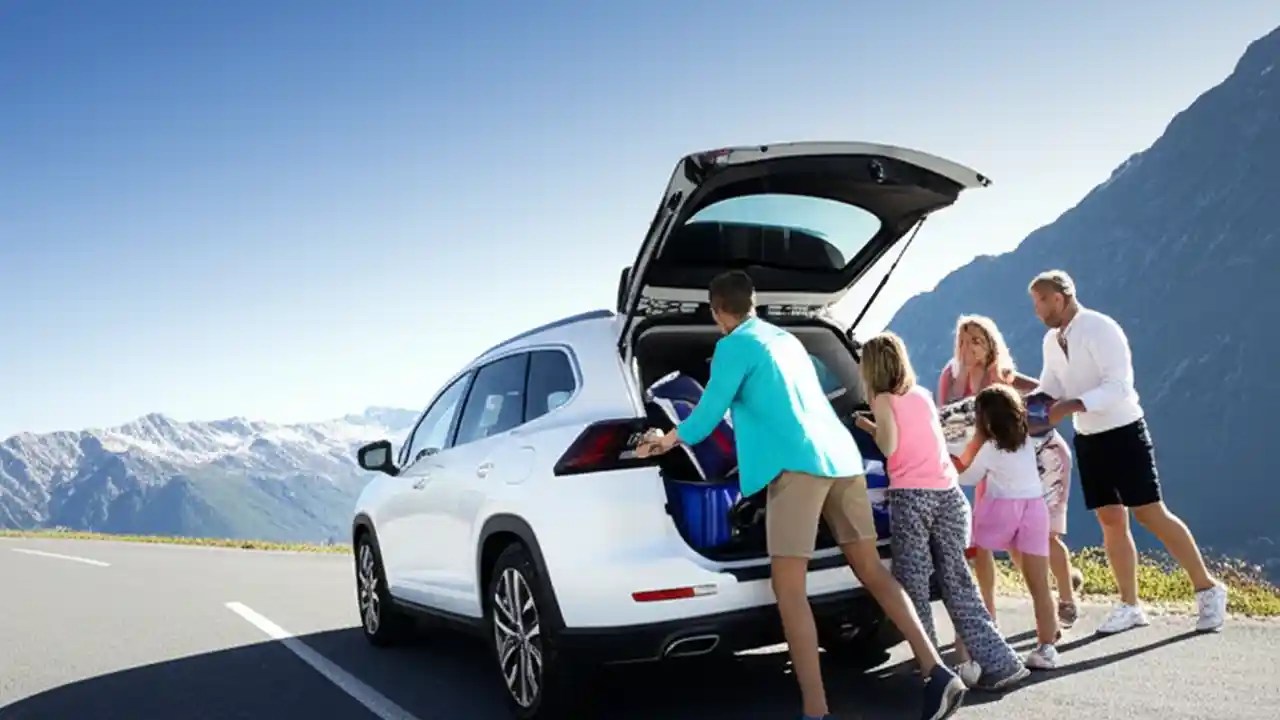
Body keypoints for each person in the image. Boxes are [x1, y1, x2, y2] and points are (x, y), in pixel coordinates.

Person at [637, 270, 967, 720]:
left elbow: (707, 414)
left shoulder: (733, 346)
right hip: (842, 458)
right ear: (753, 302)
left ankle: (816, 711)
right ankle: (938, 670)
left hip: (796, 468)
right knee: (871, 569)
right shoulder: (789, 341)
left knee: (789, 589)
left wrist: (665, 440)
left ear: (718, 312)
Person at [1028, 269, 1228, 634]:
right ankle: (1130, 606)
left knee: (1150, 513)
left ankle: (1209, 589)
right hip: (1088, 439)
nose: (1036, 309)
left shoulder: (1100, 328)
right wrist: (1022, 407)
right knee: (1110, 521)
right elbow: (1049, 387)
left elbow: (1119, 386)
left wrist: (1069, 406)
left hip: (1124, 433)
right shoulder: (1051, 341)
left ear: (1060, 297)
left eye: (1040, 300)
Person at [854, 331, 1029, 692]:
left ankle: (932, 670)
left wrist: (869, 422)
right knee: (959, 584)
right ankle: (1003, 663)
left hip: (913, 498)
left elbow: (890, 447)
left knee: (913, 585)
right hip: (949, 495)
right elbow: (915, 439)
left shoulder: (883, 399)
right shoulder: (921, 396)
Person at [937, 314, 1082, 630]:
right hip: (988, 460)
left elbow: (1045, 394)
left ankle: (1066, 598)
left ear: (989, 344)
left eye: (976, 340)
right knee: (986, 540)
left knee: (1042, 534)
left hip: (1035, 457)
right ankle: (989, 612)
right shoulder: (951, 375)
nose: (968, 347)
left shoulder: (1000, 373)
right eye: (963, 340)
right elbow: (945, 418)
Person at [954, 384, 1061, 669]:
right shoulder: (1028, 439)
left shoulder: (989, 448)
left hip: (1001, 508)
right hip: (1035, 508)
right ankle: (1047, 646)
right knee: (1039, 584)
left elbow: (968, 477)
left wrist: (957, 456)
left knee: (981, 549)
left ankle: (988, 611)